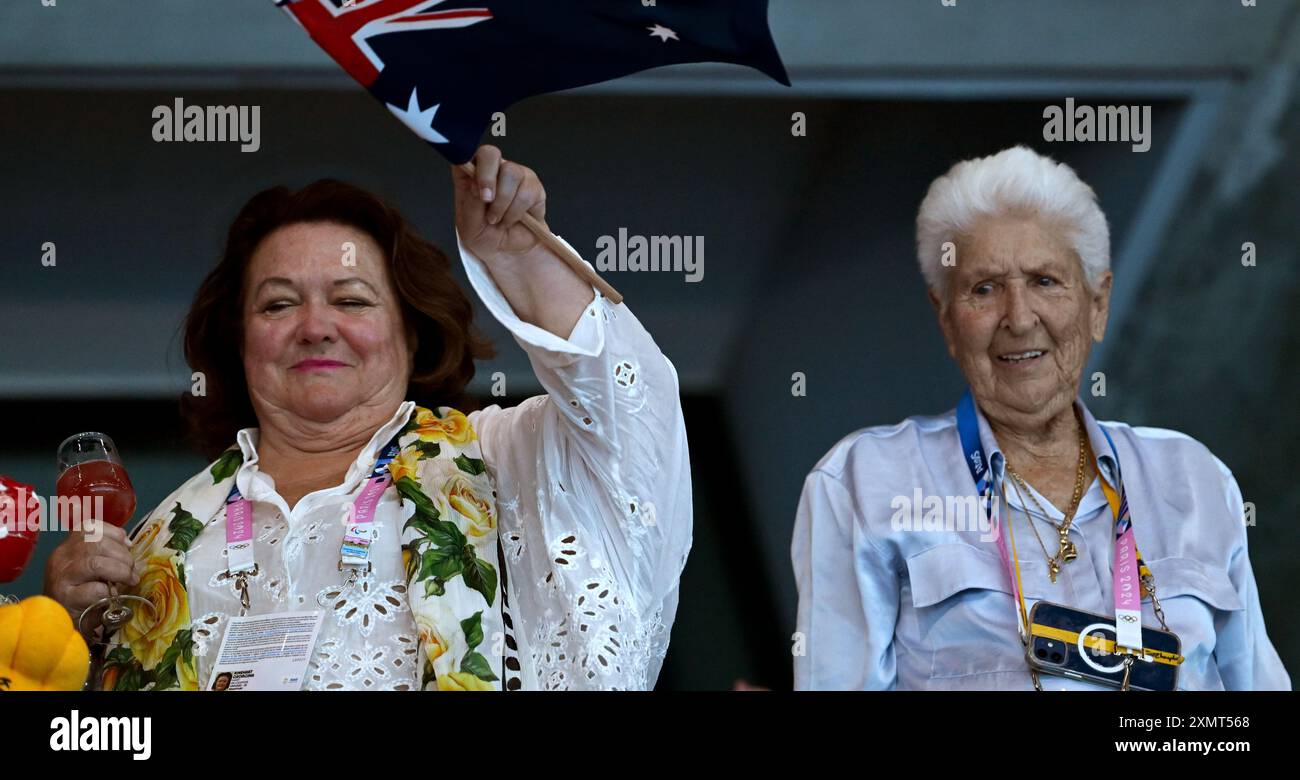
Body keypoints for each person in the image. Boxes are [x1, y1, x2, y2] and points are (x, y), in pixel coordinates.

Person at [45, 145, 692, 691]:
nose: (315, 327)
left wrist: (517, 258)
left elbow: (634, 417)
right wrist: (66, 636)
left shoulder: (508, 458)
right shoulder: (161, 535)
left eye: (351, 299)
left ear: (413, 333)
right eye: (277, 306)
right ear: (238, 343)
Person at [792, 145, 1290, 690]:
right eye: (984, 289)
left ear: (1097, 305)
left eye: (1045, 281)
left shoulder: (1194, 478)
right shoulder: (865, 483)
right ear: (945, 319)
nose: (1020, 318)